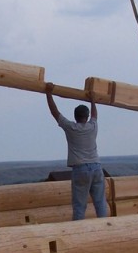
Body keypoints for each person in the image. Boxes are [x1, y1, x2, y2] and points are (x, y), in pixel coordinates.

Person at [45, 82, 109, 220]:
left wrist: (48, 93)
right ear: (87, 116)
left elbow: (55, 112)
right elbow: (95, 115)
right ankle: (106, 228)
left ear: (75, 117)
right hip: (96, 167)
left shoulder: (71, 127)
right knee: (100, 203)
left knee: (79, 205)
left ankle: (78, 230)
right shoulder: (92, 126)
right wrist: (93, 100)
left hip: (80, 169)